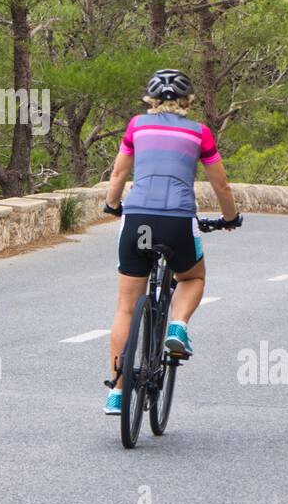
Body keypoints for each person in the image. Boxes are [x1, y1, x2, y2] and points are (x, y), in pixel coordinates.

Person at [101, 69, 240, 415]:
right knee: (192, 277)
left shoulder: (137, 126)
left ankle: (117, 392)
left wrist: (112, 205)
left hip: (137, 220)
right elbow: (221, 186)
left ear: (150, 100)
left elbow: (119, 173)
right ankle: (177, 325)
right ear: (188, 101)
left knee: (124, 307)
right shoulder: (200, 133)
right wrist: (229, 218)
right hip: (178, 221)